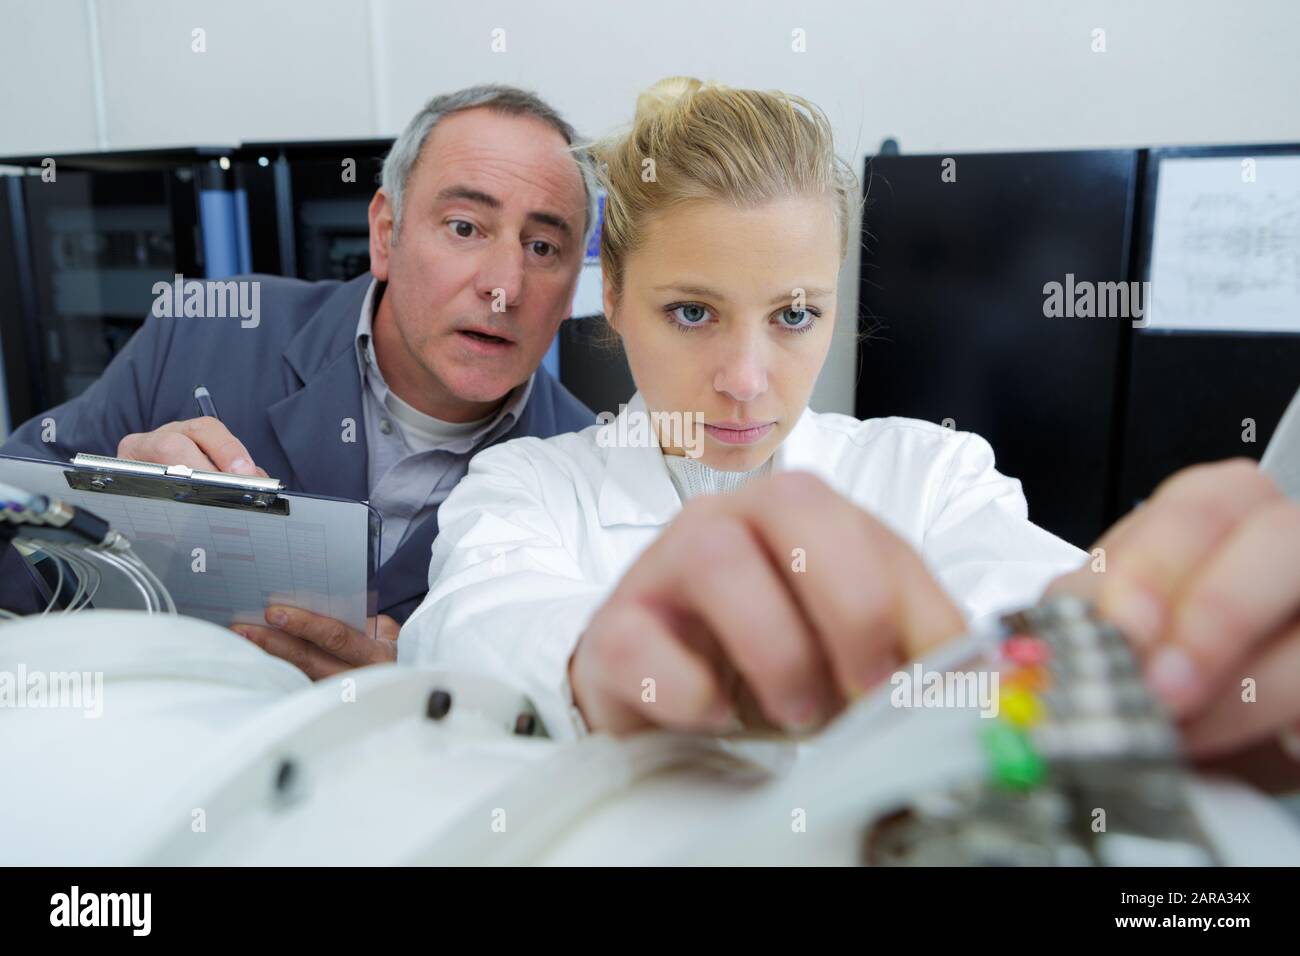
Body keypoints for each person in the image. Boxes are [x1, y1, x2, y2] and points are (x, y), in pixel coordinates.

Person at [402, 78, 1296, 774]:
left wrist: (1119, 641)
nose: (747, 382)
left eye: (793, 316)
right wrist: (600, 662)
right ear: (615, 296)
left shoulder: (930, 474)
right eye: (692, 312)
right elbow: (470, 628)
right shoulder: (527, 487)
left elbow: (1021, 596)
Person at [0, 85, 597, 672]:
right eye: (465, 227)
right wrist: (117, 512)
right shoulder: (203, 334)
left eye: (543, 247)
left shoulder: (586, 476)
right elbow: (13, 535)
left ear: (573, 288)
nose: (505, 285)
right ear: (386, 234)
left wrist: (413, 689)